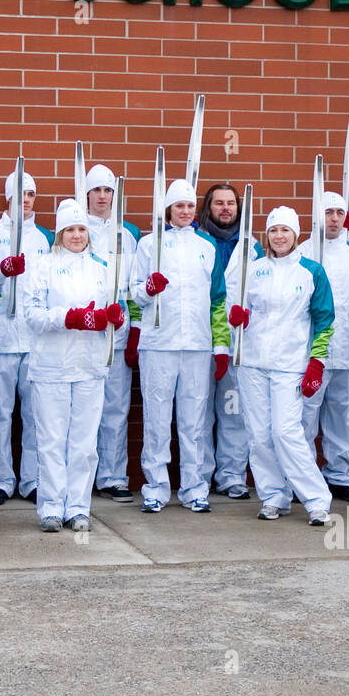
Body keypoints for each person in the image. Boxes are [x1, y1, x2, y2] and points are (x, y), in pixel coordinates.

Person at [226, 206, 336, 524]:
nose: (279, 236)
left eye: (285, 230)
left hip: (290, 363)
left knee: (287, 433)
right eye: (274, 230)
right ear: (268, 235)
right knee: (259, 435)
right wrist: (238, 319)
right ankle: (274, 496)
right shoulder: (254, 269)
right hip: (253, 362)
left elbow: (324, 320)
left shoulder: (311, 271)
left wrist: (317, 362)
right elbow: (236, 306)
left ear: (295, 233)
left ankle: (316, 499)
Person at [24, 199, 125, 532]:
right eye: (70, 229)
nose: (77, 235)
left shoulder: (103, 268)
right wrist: (72, 318)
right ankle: (51, 507)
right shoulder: (42, 265)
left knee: (84, 443)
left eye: (81, 228)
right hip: (51, 366)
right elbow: (33, 315)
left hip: (90, 366)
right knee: (52, 440)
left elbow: (116, 312)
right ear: (59, 233)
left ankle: (78, 507)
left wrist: (117, 318)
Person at [129, 178, 229, 514]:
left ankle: (193, 487)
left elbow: (218, 299)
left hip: (197, 344)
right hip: (159, 342)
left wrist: (220, 345)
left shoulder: (207, 246)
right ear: (168, 210)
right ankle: (156, 488)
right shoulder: (149, 245)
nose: (185, 212)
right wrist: (148, 288)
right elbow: (134, 292)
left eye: (189, 206)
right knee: (156, 418)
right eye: (178, 206)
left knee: (194, 420)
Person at [0, 169, 53, 505]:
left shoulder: (43, 239)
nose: (25, 201)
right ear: (8, 197)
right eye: (19, 195)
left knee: (36, 414)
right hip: (0, 339)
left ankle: (33, 479)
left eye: (30, 195)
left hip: (35, 340)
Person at [297, 191, 349, 503]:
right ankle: (302, 476)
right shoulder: (304, 251)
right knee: (305, 415)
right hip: (313, 350)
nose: (335, 219)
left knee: (344, 415)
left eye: (340, 213)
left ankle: (340, 475)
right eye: (328, 213)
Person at [195, 183, 259, 500]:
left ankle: (232, 475)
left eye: (230, 203)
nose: (225, 208)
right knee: (199, 412)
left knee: (234, 411)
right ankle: (200, 476)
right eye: (218, 203)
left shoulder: (255, 247)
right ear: (208, 207)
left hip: (239, 342)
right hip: (198, 339)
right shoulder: (195, 242)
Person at [85, 163, 142, 503]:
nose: (103, 197)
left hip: (117, 333)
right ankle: (80, 475)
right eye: (97, 190)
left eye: (108, 190)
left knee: (116, 408)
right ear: (87, 194)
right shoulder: (74, 229)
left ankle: (113, 476)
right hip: (83, 333)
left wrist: (133, 329)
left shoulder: (128, 232)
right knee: (82, 408)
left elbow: (134, 287)